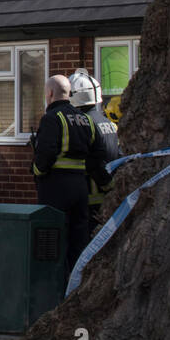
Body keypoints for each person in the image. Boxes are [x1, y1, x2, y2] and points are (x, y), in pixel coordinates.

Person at [32, 75, 100, 277]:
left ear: (50, 94)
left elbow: (45, 154)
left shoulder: (52, 118)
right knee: (78, 239)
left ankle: (53, 285)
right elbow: (96, 156)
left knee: (51, 240)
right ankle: (76, 283)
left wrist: (37, 171)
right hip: (80, 187)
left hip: (56, 187)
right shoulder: (86, 119)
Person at [68, 69, 118, 230]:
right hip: (109, 195)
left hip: (90, 198)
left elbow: (91, 161)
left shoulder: (84, 125)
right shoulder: (108, 122)